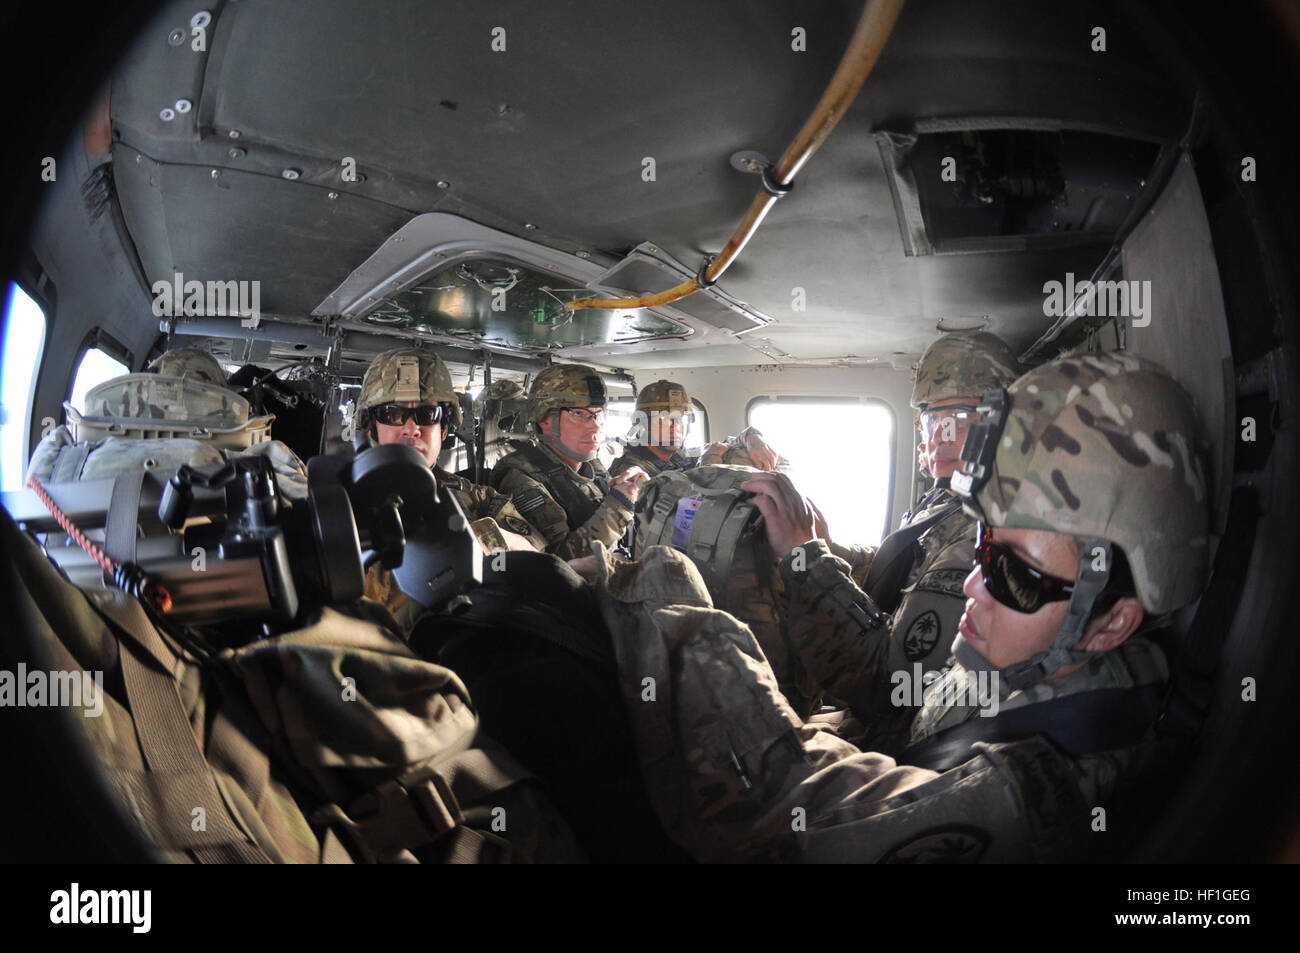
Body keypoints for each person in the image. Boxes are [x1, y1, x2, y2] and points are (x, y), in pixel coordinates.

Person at [597, 351, 1209, 861]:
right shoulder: (1041, 657)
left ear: (1111, 622)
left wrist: (665, 602)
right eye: (983, 549)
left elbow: (784, 804)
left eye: (1015, 574)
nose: (975, 583)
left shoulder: (1041, 789)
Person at [748, 331, 1022, 748]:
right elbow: (899, 564)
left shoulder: (984, 534)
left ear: (1002, 424)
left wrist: (806, 558)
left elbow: (890, 685)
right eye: (933, 420)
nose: (940, 437)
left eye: (962, 419)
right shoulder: (949, 496)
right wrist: (826, 547)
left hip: (891, 741)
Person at [355, 347, 545, 629]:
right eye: (393, 414)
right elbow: (361, 607)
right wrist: (479, 542)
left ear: (444, 429)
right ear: (371, 427)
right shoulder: (347, 504)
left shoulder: (480, 499)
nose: (411, 429)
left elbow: (537, 562)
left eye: (427, 414)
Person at [491, 363, 647, 559]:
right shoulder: (521, 480)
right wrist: (619, 505)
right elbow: (560, 564)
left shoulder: (592, 468)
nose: (595, 427)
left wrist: (635, 488)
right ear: (545, 419)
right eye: (579, 414)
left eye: (597, 414)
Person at [608, 379, 700, 479]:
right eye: (664, 419)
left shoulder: (677, 458)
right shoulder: (630, 470)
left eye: (681, 419)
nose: (675, 427)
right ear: (643, 424)